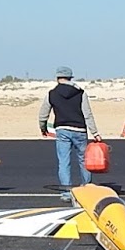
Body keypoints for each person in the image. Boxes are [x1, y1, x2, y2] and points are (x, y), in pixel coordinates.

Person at [37, 66, 101, 202]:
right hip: (80, 130)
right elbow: (87, 114)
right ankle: (87, 189)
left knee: (64, 162)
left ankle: (66, 193)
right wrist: (95, 133)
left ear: (57, 77)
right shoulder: (80, 92)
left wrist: (43, 128)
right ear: (71, 77)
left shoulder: (52, 93)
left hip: (62, 129)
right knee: (84, 161)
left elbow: (43, 114)